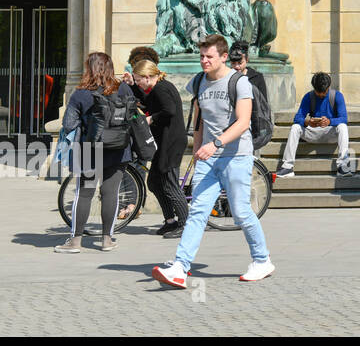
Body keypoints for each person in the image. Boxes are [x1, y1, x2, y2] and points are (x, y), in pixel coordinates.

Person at [152, 34, 274, 286]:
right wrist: (198, 152)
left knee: (241, 213)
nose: (204, 61)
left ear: (224, 57)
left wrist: (216, 144)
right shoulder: (199, 81)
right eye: (201, 56)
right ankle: (180, 267)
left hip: (236, 157)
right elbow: (199, 122)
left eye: (209, 56)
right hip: (208, 159)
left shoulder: (239, 82)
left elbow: (243, 122)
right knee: (197, 212)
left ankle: (262, 260)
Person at [54, 53, 134, 254]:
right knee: (110, 193)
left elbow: (69, 124)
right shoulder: (123, 88)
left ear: (89, 68)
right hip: (118, 148)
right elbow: (132, 114)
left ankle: (75, 242)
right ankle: (107, 240)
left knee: (85, 193)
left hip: (89, 150)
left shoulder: (81, 93)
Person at [128, 59, 188, 238]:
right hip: (164, 142)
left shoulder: (161, 88)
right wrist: (132, 86)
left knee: (170, 184)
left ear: (147, 77)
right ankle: (170, 221)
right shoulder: (157, 89)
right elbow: (147, 102)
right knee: (154, 182)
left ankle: (185, 224)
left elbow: (169, 110)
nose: (138, 82)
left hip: (171, 143)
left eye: (138, 79)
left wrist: (151, 118)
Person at [276, 72, 350, 178]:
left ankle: (342, 166)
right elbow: (297, 118)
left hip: (330, 134)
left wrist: (329, 121)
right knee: (295, 127)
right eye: (318, 92)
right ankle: (287, 167)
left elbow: (344, 118)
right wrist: (308, 122)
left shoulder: (337, 96)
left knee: (343, 127)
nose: (321, 95)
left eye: (324, 92)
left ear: (328, 87)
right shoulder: (308, 97)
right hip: (313, 132)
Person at [228, 40, 268, 106]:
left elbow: (264, 104)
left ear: (247, 60)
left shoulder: (257, 77)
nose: (236, 66)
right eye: (233, 63)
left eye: (240, 63)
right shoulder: (227, 77)